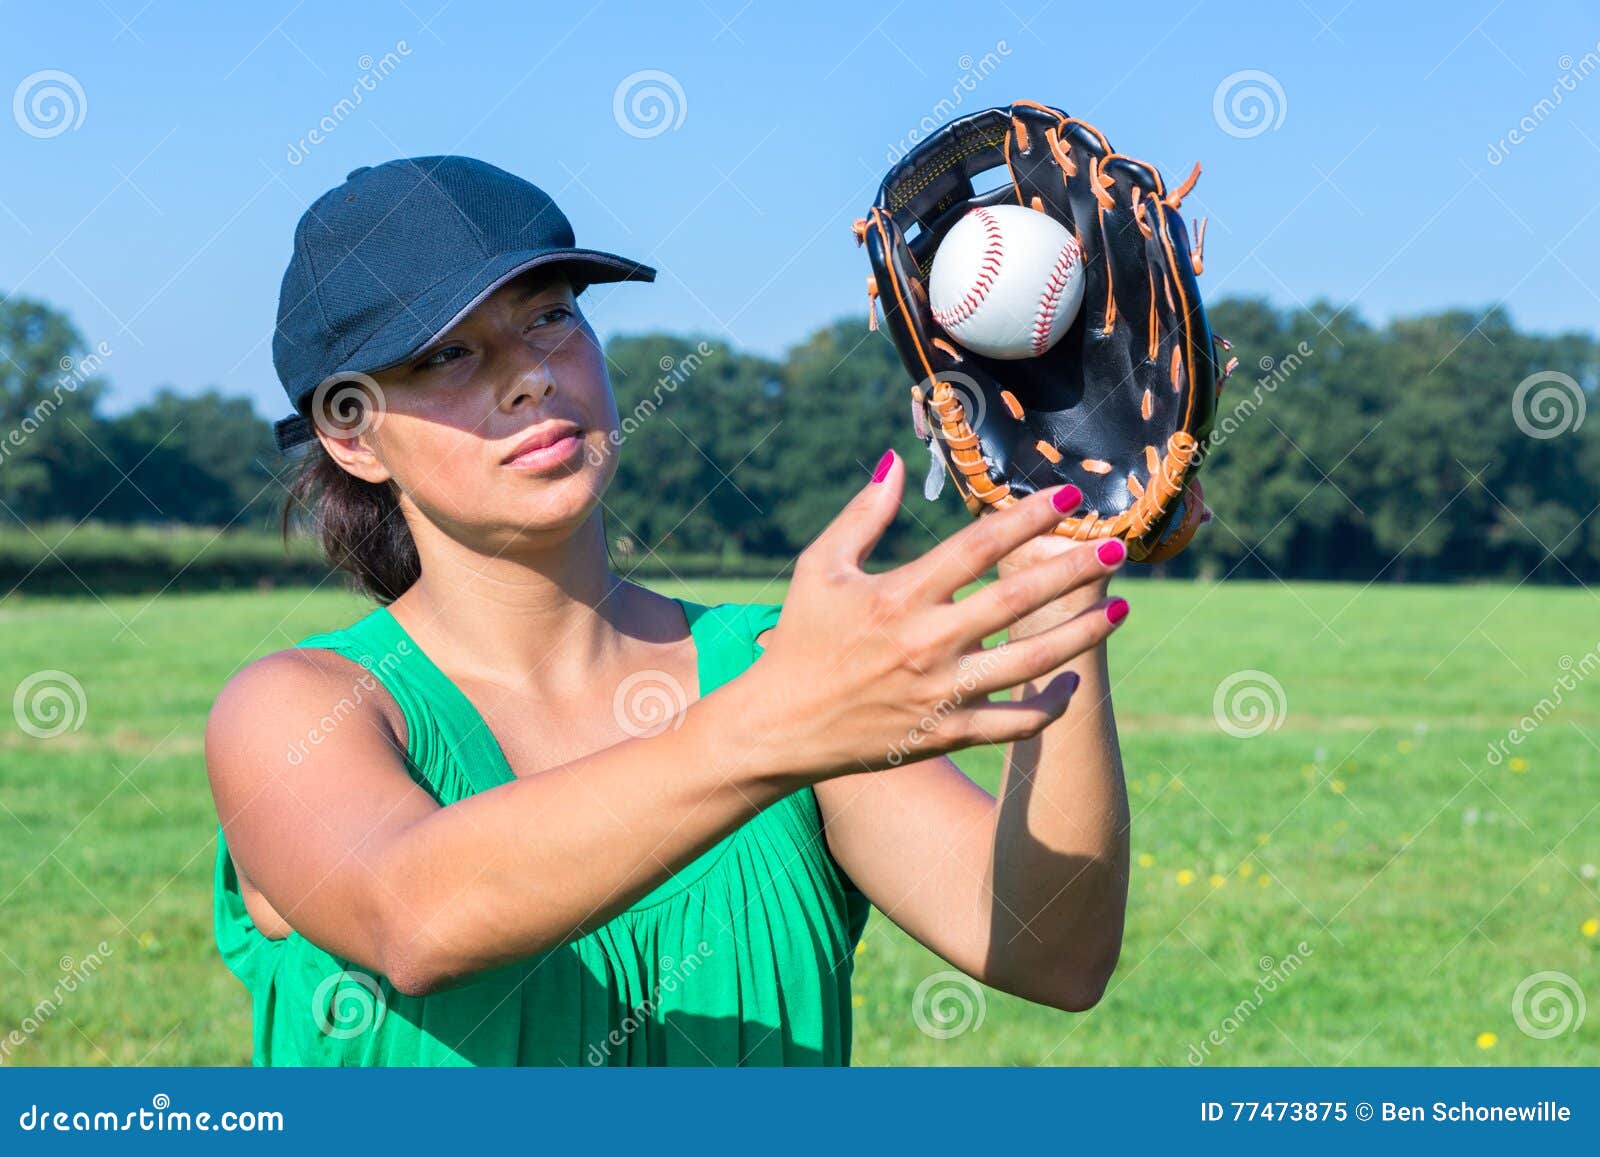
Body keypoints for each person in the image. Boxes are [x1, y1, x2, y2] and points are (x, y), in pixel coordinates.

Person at [205, 156, 1134, 1066]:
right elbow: (414, 916)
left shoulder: (774, 668)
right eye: (450, 354)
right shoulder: (296, 707)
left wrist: (1061, 573)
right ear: (351, 433)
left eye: (551, 318)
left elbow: (1049, 950)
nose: (529, 374)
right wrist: (773, 731)